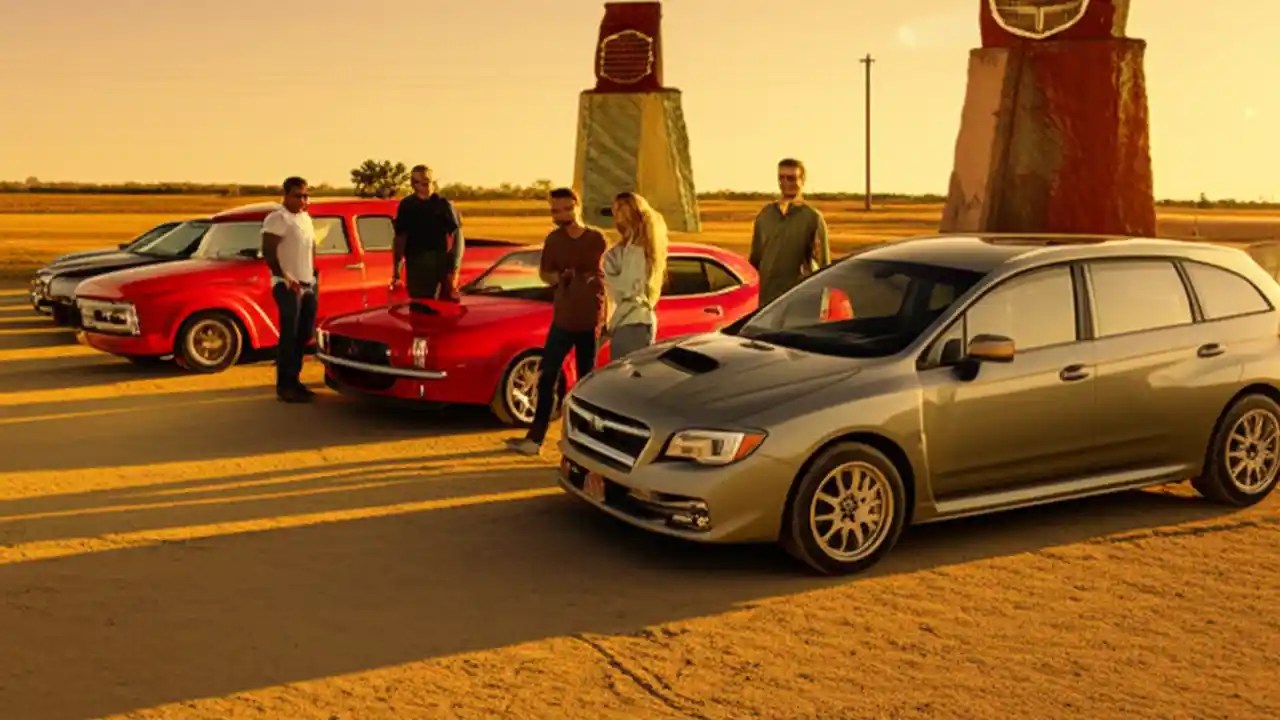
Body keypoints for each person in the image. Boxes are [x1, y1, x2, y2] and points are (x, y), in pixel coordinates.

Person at [505, 187, 606, 456]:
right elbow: (544, 274)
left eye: (565, 208)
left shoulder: (597, 239)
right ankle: (535, 439)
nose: (560, 214)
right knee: (547, 377)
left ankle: (587, 442)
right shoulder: (554, 239)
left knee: (587, 383)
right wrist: (560, 278)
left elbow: (608, 278)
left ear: (577, 206)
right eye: (555, 210)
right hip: (562, 319)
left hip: (588, 320)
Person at [261, 176, 317, 403]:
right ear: (285, 195)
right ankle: (284, 385)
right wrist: (284, 277)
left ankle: (295, 379)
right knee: (289, 335)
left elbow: (311, 247)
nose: (302, 200)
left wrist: (313, 276)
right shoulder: (277, 218)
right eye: (297, 195)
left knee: (304, 334)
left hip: (307, 283)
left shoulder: (305, 218)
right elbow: (268, 251)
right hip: (287, 285)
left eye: (305, 195)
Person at [749, 158, 831, 306]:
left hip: (796, 301)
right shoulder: (765, 215)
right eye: (781, 178)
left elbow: (824, 266)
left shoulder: (812, 218)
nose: (786, 183)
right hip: (766, 301)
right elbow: (755, 261)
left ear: (802, 180)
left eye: (791, 178)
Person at [602, 191, 667, 361]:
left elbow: (629, 290)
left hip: (632, 321)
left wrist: (613, 323)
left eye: (620, 210)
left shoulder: (637, 250)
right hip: (631, 321)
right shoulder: (630, 249)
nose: (617, 216)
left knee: (628, 375)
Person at [391, 164, 465, 301]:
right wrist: (396, 272)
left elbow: (457, 238)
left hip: (439, 262)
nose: (427, 186)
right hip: (416, 263)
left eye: (430, 182)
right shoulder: (407, 206)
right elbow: (400, 237)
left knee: (443, 307)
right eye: (423, 183)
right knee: (419, 305)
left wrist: (454, 271)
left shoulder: (443, 205)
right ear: (413, 184)